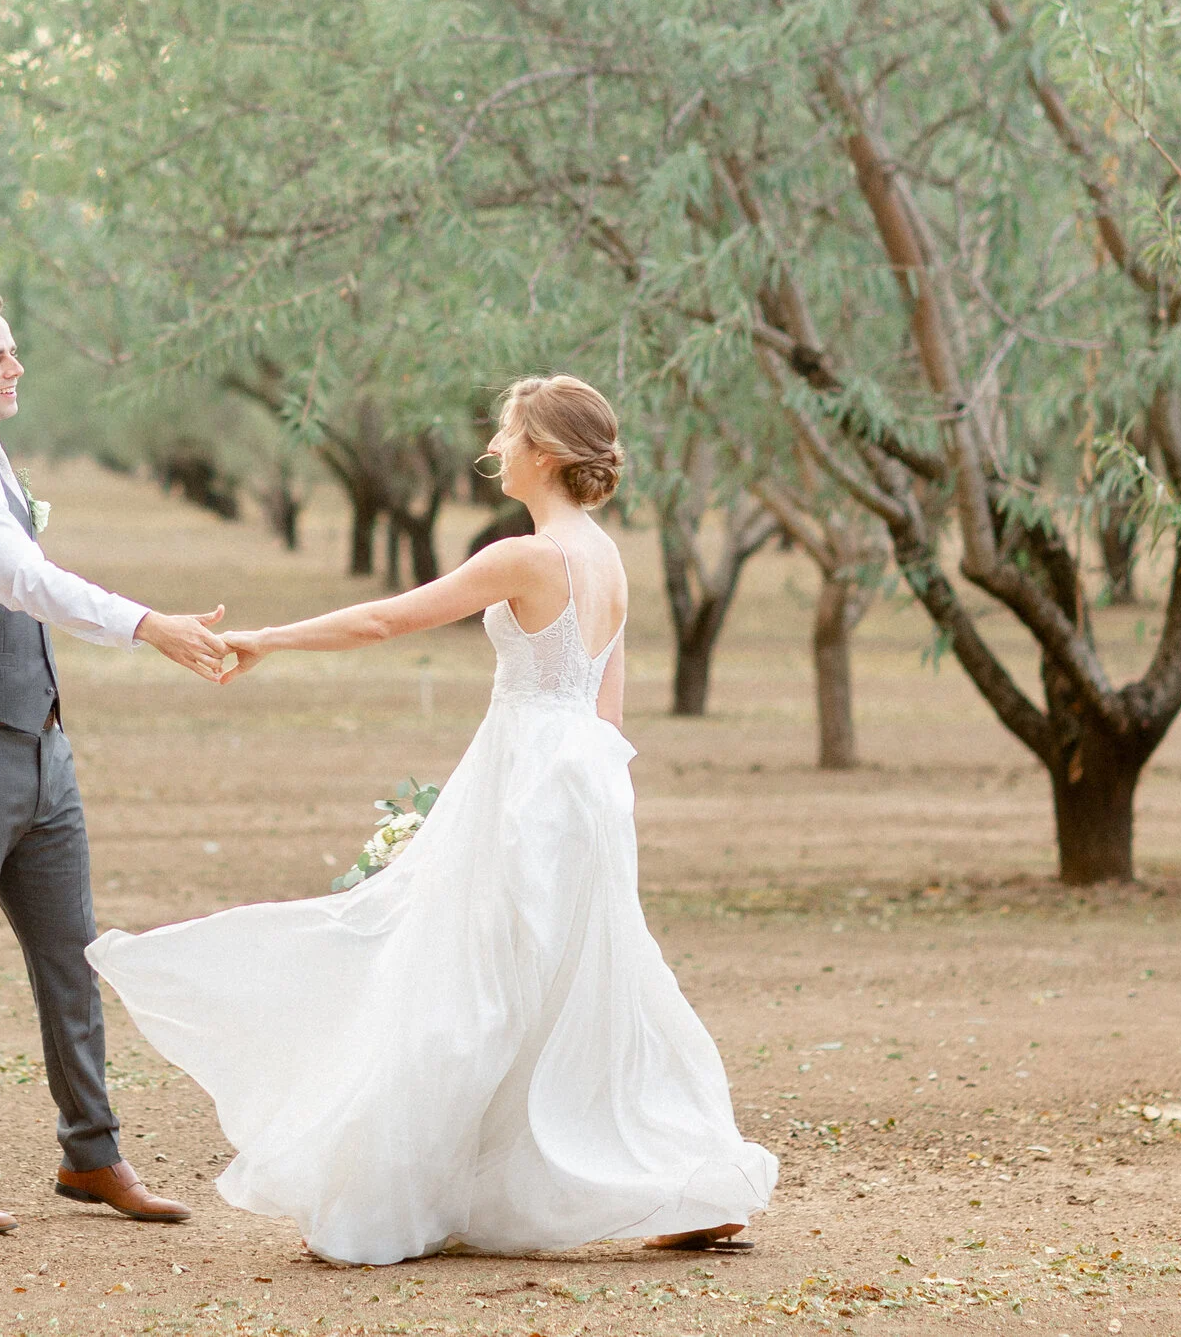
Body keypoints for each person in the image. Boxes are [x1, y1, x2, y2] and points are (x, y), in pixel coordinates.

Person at [88, 375, 778, 1265]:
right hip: (585, 781)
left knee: (473, 981)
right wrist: (596, 792)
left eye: (506, 432)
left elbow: (385, 619)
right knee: (587, 977)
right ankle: (674, 1172)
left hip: (528, 779)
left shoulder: (527, 556)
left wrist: (266, 639)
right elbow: (609, 694)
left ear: (543, 453)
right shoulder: (604, 554)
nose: (493, 447)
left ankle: (403, 1188)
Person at [0, 291, 231, 1236]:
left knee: (71, 965)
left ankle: (92, 1154)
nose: (14, 368)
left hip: (42, 753)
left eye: (12, 352)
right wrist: (148, 623)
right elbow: (23, 582)